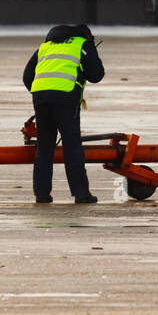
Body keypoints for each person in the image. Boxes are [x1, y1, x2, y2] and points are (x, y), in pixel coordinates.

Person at [22, 24, 104, 204]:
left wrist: (42, 92)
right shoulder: (82, 44)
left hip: (41, 98)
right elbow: (97, 74)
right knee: (72, 145)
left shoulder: (45, 46)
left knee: (44, 146)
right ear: (86, 35)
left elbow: (27, 76)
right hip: (66, 97)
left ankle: (41, 194)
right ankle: (81, 193)